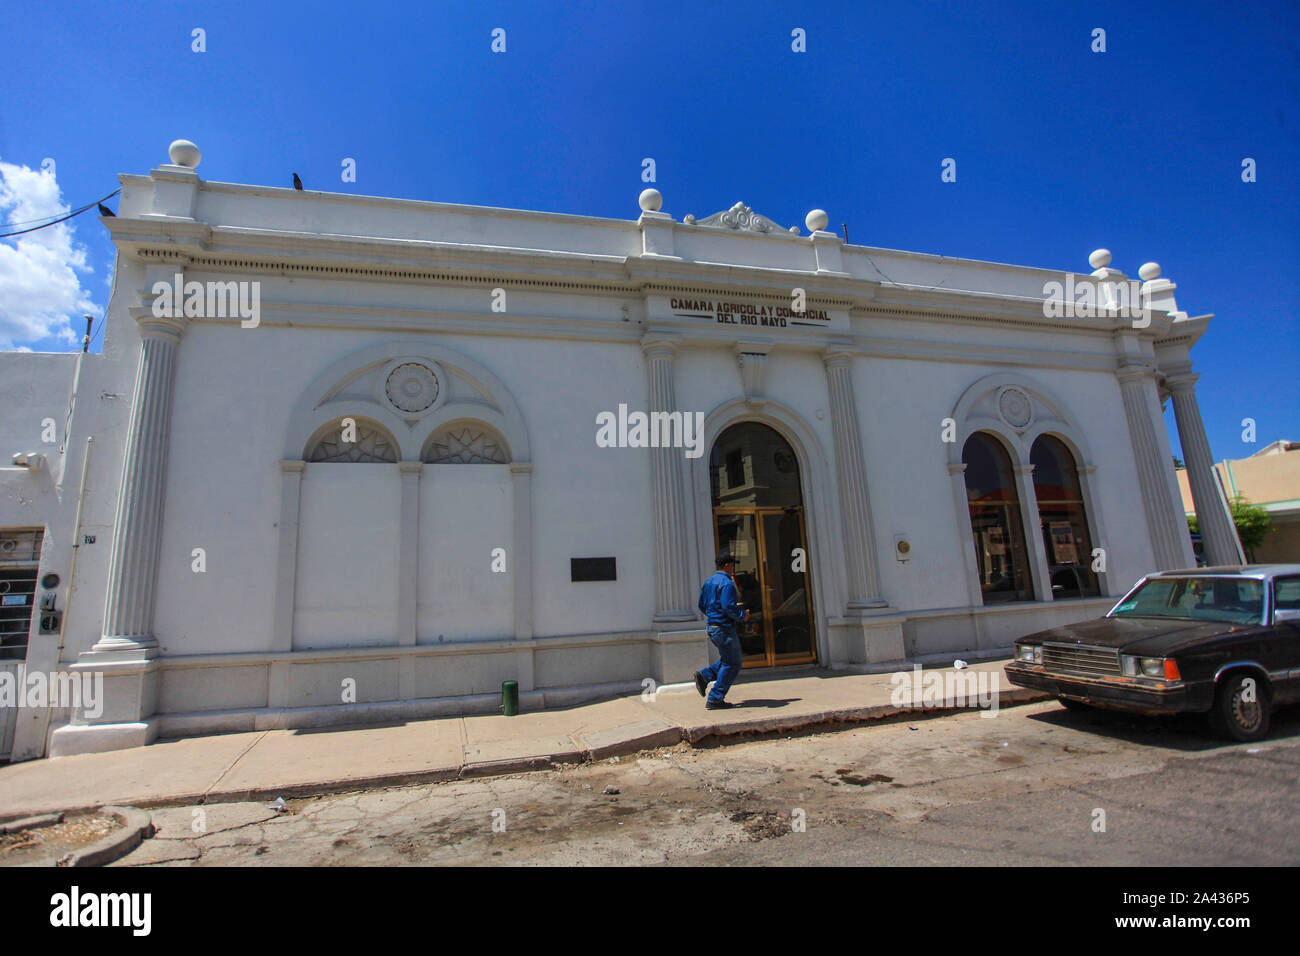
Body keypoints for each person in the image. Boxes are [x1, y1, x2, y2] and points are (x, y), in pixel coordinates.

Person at [695, 553, 749, 709]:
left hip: (713, 627)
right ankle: (715, 697)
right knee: (733, 663)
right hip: (724, 628)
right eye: (732, 565)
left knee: (728, 660)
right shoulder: (727, 583)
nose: (733, 568)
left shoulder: (709, 582)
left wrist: (713, 616)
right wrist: (742, 616)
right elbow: (728, 606)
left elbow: (701, 605)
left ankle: (705, 675)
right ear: (726, 565)